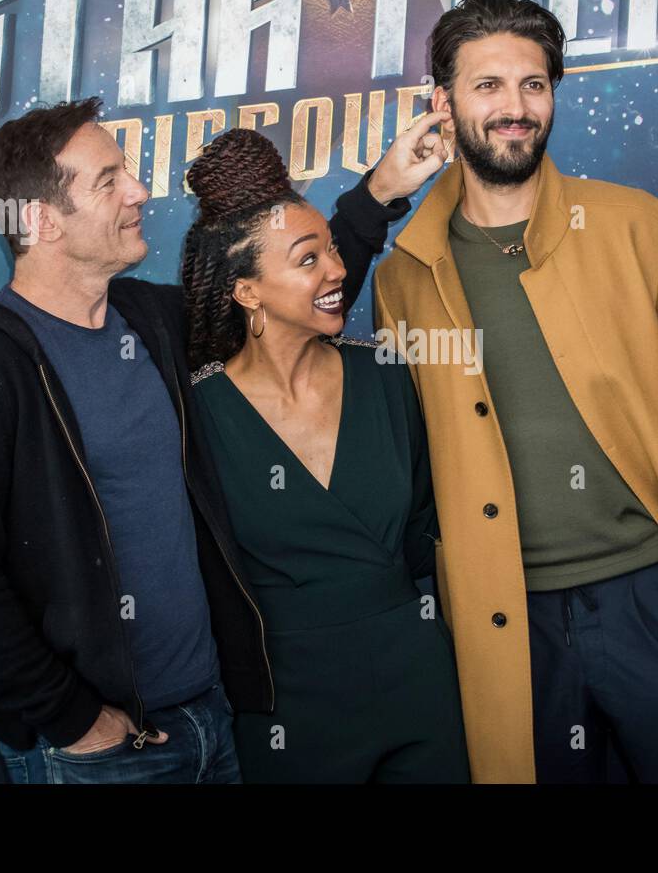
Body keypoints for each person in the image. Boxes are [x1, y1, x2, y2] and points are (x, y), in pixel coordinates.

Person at [0, 95, 430, 782]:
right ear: (40, 221)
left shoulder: (151, 322)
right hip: (100, 752)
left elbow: (281, 301)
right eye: (108, 181)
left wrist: (380, 195)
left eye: (127, 171)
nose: (139, 190)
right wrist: (73, 721)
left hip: (215, 718)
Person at [371, 0, 658, 784]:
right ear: (443, 103)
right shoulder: (404, 275)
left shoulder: (639, 226)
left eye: (533, 85)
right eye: (488, 86)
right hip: (506, 618)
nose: (515, 108)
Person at [181, 127, 470, 783]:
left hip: (419, 688)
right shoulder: (195, 415)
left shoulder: (389, 376)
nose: (338, 271)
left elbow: (434, 534)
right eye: (307, 259)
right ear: (246, 290)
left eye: (334, 250)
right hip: (286, 710)